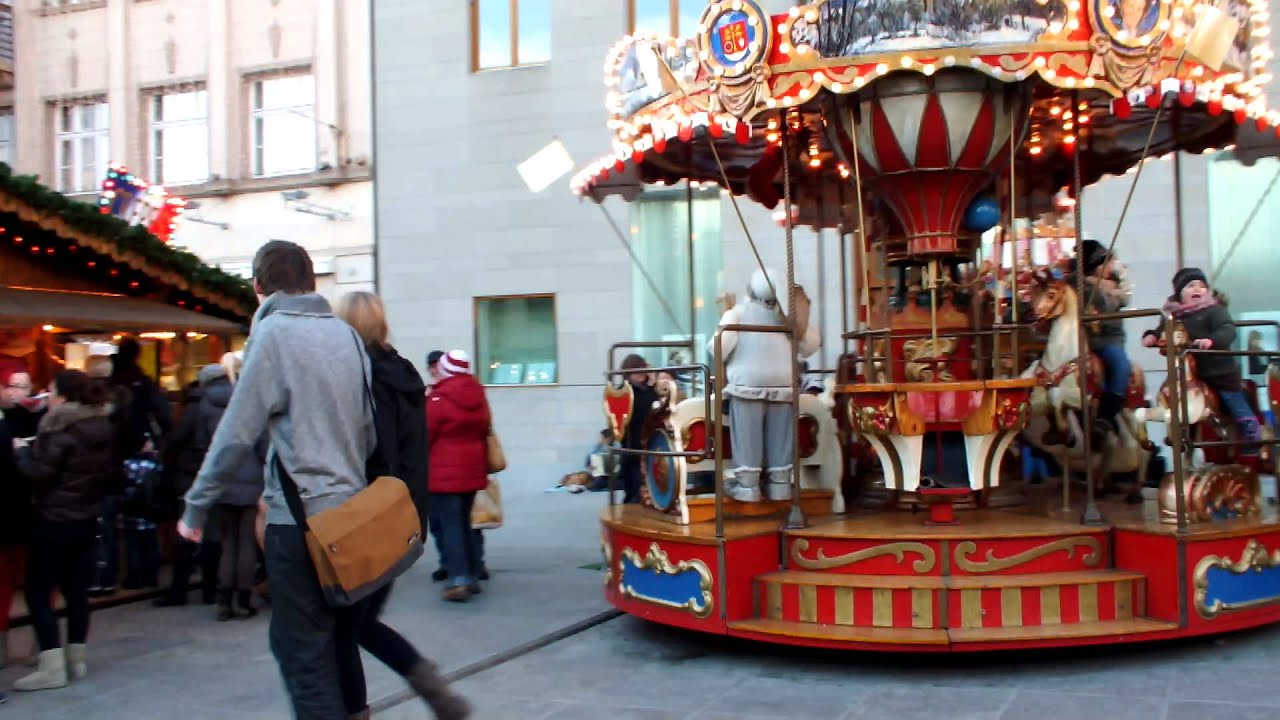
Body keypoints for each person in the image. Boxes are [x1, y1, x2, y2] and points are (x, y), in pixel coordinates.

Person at [178, 240, 377, 720]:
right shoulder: (345, 335)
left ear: (257, 288)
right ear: (313, 283)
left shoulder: (272, 336)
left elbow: (235, 432)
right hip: (349, 517)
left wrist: (196, 505)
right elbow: (369, 429)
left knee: (301, 652)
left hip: (299, 522)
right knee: (336, 642)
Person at [335, 292, 470, 719]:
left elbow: (371, 449)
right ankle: (434, 690)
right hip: (403, 514)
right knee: (360, 623)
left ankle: (377, 706)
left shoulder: (361, 378)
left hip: (366, 513)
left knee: (346, 629)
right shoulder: (407, 374)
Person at [13, 370, 114, 691]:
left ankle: (52, 667)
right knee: (75, 592)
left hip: (53, 521)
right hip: (86, 519)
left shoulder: (60, 428)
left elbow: (38, 474)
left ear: (63, 395)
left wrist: (22, 451)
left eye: (52, 390)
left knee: (38, 592)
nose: (48, 395)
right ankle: (76, 660)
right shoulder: (99, 426)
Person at [714, 268, 820, 502]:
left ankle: (747, 486)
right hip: (782, 386)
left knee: (747, 436)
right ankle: (780, 484)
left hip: (747, 386)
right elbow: (811, 345)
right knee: (781, 438)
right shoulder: (786, 318)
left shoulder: (737, 314)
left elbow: (718, 347)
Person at [1143, 267, 1263, 453]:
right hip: (1190, 372)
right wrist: (1152, 336)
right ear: (1179, 293)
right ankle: (1182, 433)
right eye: (1191, 286)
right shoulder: (1172, 315)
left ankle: (1251, 433)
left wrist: (1211, 340)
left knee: (1232, 398)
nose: (1197, 289)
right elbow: (1162, 332)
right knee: (1172, 394)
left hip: (1217, 370)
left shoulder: (1214, 310)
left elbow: (1227, 329)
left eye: (1201, 286)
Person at [198, 356, 268, 621]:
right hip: (250, 479)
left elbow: (202, 443)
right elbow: (263, 446)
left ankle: (224, 599)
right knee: (247, 541)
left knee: (228, 541)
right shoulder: (251, 402)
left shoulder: (206, 404)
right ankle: (242, 598)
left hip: (222, 479)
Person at [153, 374, 224, 609]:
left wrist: (165, 452)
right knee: (213, 534)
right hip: (218, 476)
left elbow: (177, 439)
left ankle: (179, 590)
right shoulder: (233, 402)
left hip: (191, 475)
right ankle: (210, 589)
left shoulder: (195, 407)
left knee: (187, 533)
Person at [426, 350, 491, 602]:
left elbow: (425, 434)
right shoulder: (478, 394)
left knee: (450, 525)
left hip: (443, 472)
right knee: (464, 522)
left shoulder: (438, 398)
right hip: (472, 469)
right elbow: (485, 427)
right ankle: (472, 573)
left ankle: (458, 578)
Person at [109, 338, 171, 591]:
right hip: (141, 453)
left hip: (118, 458)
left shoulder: (112, 381)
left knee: (126, 524)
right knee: (145, 522)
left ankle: (130, 574)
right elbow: (162, 413)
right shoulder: (142, 380)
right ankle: (149, 573)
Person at [1072, 239, 1132, 440]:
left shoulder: (1112, 288)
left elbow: (1108, 313)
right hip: (1085, 341)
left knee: (1120, 365)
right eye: (1104, 264)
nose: (1109, 267)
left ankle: (1108, 412)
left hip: (1108, 340)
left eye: (1109, 263)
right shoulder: (1084, 288)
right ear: (1093, 268)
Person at [0, 358, 34, 675]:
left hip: (25, 514)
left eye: (26, 386)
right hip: (15, 513)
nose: (21, 393)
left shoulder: (31, 417)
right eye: (15, 386)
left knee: (33, 581)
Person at [618, 354, 659, 504]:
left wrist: (653, 381)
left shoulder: (649, 390)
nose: (641, 372)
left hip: (649, 445)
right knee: (634, 492)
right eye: (636, 369)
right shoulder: (624, 392)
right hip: (633, 448)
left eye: (642, 368)